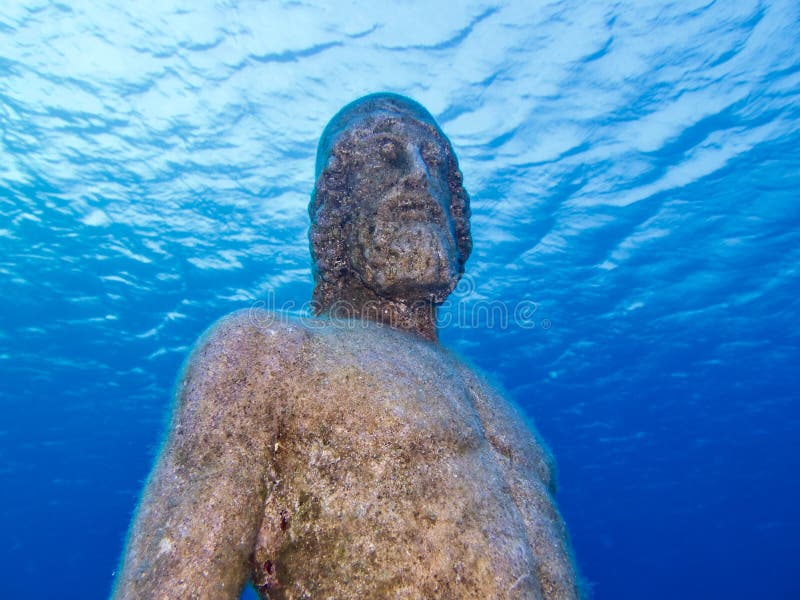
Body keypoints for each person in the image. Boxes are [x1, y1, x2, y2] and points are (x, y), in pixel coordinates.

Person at [113, 93, 581, 599]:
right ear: (336, 207)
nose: (421, 178)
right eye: (386, 154)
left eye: (439, 165)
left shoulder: (504, 412)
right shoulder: (263, 353)